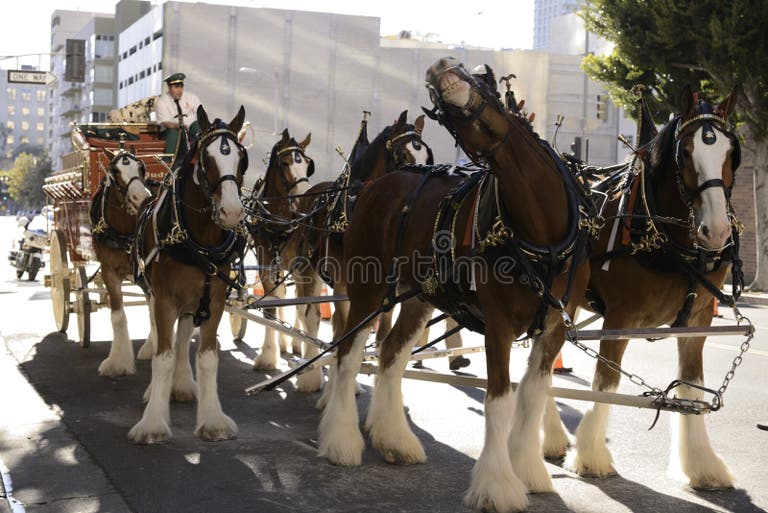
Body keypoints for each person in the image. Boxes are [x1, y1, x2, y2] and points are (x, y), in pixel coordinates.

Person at [155, 72, 202, 159]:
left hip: (190, 128)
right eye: (176, 87)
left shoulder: (191, 97)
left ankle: (201, 154)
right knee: (174, 132)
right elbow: (165, 123)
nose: (179, 90)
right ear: (169, 87)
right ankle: (169, 161)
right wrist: (179, 126)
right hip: (170, 131)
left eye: (181, 86)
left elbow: (202, 114)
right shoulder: (162, 102)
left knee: (197, 126)